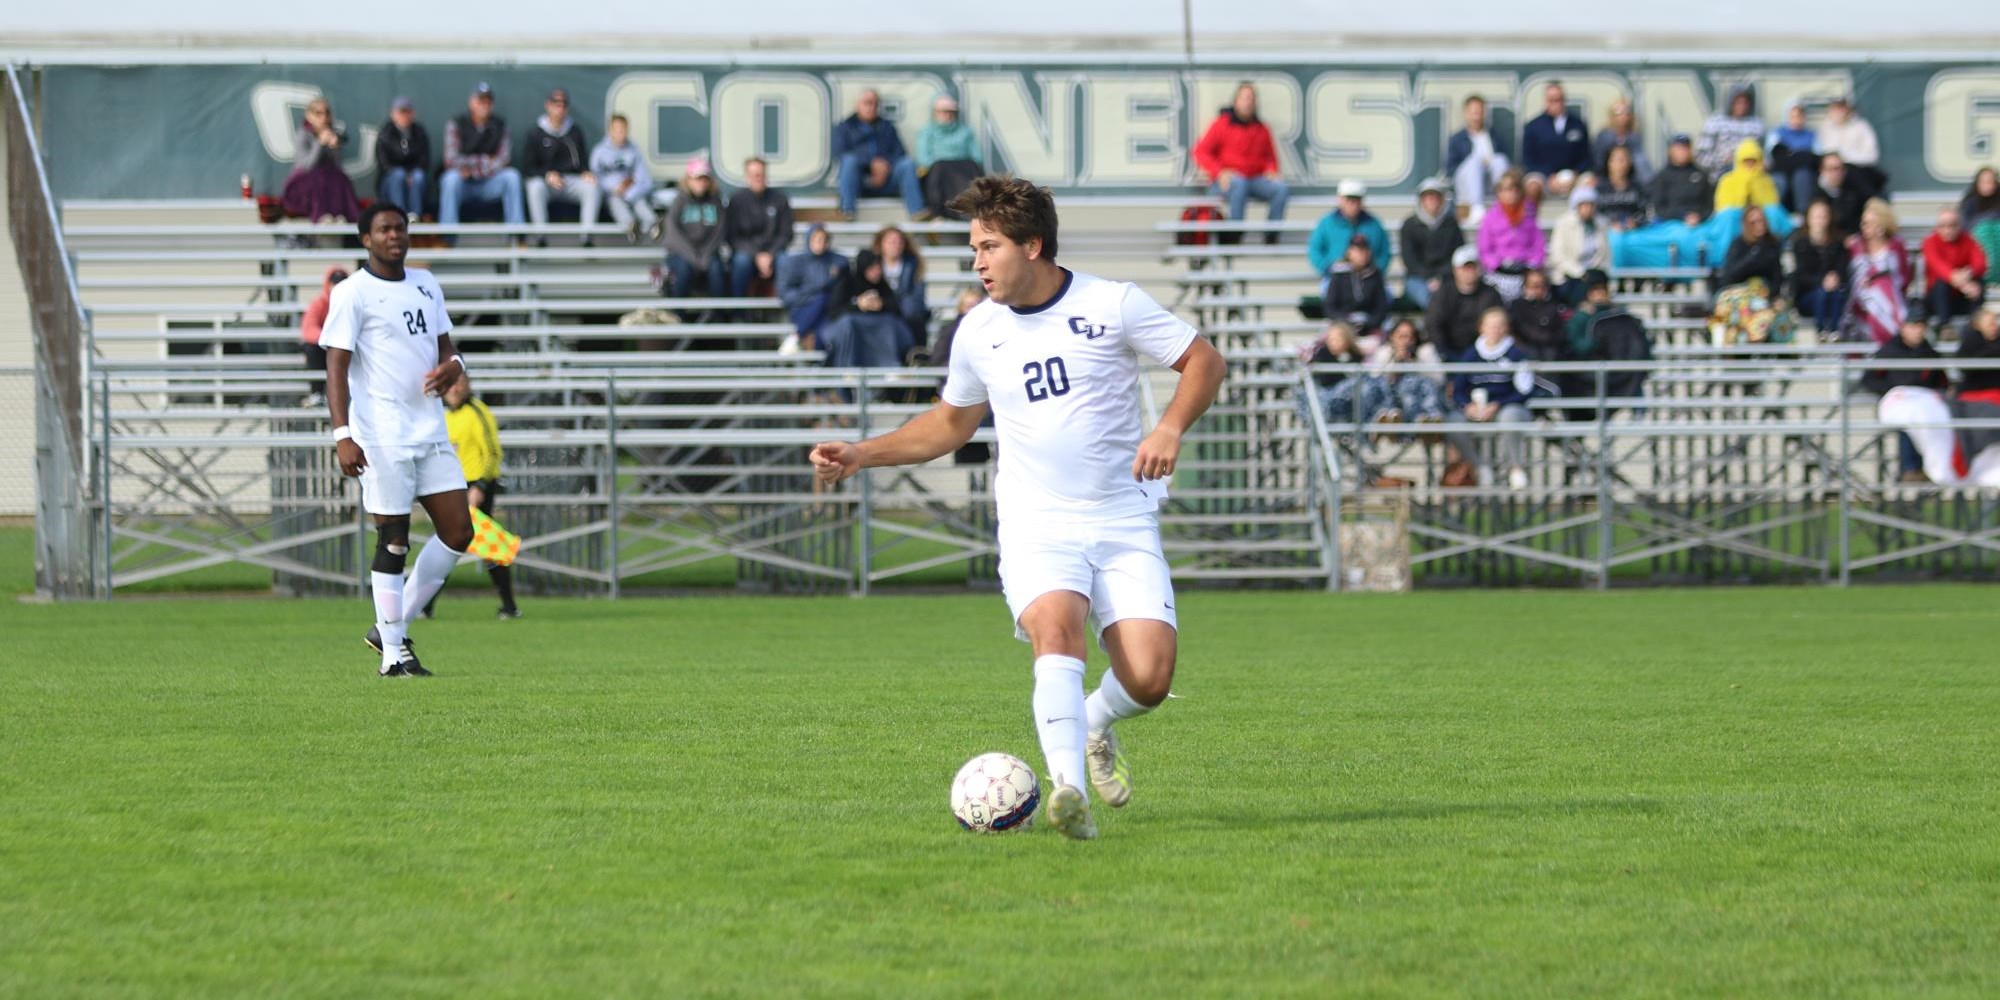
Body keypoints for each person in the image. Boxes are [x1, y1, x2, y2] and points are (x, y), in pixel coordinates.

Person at [809, 176, 1227, 841]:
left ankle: (1093, 721)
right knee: (1056, 630)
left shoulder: (1112, 304)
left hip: (1121, 516)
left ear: (1033, 245)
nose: (977, 261)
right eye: (974, 247)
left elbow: (1203, 360)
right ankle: (1069, 794)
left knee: (1148, 679)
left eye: (989, 246)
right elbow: (949, 425)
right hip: (1037, 523)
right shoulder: (978, 331)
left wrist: (1170, 427)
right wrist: (862, 454)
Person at [320, 203, 475, 678]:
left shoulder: (427, 283)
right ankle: (393, 654)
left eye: (400, 228)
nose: (395, 236)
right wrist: (343, 435)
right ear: (365, 238)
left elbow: (444, 347)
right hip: (382, 436)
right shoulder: (352, 293)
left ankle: (390, 625)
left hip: (428, 429)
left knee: (459, 532)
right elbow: (336, 367)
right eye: (384, 229)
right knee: (393, 539)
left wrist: (457, 367)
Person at [435, 374, 522, 618]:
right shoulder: (445, 416)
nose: (453, 390)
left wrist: (480, 486)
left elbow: (493, 454)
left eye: (457, 383)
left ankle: (509, 605)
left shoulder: (478, 412)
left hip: (475, 487)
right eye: (449, 385)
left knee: (469, 544)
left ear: (467, 385)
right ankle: (509, 606)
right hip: (454, 486)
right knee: (454, 543)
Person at [1447, 307, 1541, 491]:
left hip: (1506, 407)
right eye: (1491, 326)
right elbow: (1458, 389)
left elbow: (1524, 390)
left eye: (1500, 326)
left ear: (1506, 328)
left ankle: (1515, 468)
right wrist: (1467, 406)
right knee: (1452, 422)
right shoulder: (1470, 355)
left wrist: (1498, 404)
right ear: (1481, 328)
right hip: (1477, 408)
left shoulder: (1516, 354)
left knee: (1510, 417)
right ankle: (1479, 466)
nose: (1495, 330)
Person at [1861, 318, 1950, 482]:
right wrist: (1891, 391)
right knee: (1909, 420)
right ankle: (1910, 469)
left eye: (1920, 326)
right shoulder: (1889, 351)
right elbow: (1869, 379)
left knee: (1930, 421)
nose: (1917, 331)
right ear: (1903, 329)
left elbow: (1942, 382)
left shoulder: (1930, 353)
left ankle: (1932, 470)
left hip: (1924, 406)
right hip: (1897, 404)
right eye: (1913, 327)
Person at [1193, 82, 1290, 228]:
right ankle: (1235, 233)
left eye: (1251, 99)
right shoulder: (1221, 125)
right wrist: (1219, 172)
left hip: (1254, 180)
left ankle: (1272, 234)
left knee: (1281, 188)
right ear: (1236, 101)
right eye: (1244, 98)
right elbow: (1200, 152)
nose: (1248, 102)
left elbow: (1270, 157)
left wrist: (1271, 171)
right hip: (1225, 182)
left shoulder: (1262, 129)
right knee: (1239, 183)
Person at [440, 82, 525, 231]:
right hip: (464, 184)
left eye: (488, 101)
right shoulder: (456, 123)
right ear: (471, 102)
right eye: (480, 101)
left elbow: (503, 160)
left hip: (489, 183)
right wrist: (486, 160)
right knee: (450, 179)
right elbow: (451, 159)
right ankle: (448, 238)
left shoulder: (500, 125)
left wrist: (472, 168)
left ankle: (516, 236)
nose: (485, 105)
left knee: (512, 176)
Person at [522, 88, 601, 247]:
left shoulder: (574, 131)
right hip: (547, 183)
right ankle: (540, 237)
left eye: (563, 105)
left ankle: (587, 238)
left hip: (569, 182)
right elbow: (528, 167)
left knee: (592, 187)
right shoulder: (535, 133)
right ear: (547, 105)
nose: (559, 108)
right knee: (534, 186)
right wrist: (547, 175)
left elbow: (582, 162)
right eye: (556, 104)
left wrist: (585, 172)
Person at [832, 89, 923, 219]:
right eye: (867, 103)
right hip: (860, 181)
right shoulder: (845, 127)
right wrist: (870, 163)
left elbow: (899, 153)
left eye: (875, 104)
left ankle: (917, 211)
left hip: (886, 179)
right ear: (858, 105)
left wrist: (884, 167)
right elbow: (839, 152)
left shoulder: (887, 127)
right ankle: (847, 211)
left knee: (907, 164)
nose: (871, 107)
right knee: (849, 160)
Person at [723, 157, 795, 297]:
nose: (758, 178)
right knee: (741, 262)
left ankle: (784, 309)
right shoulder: (737, 200)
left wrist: (769, 254)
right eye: (754, 174)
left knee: (785, 261)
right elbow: (732, 236)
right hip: (746, 252)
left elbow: (786, 234)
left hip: (774, 251)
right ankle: (739, 312)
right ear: (747, 177)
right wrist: (756, 255)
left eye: (761, 174)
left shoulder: (780, 199)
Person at [281, 97, 361, 223]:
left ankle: (343, 216)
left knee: (340, 178)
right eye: (318, 113)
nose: (323, 117)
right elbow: (307, 166)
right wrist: (320, 144)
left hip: (326, 181)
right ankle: (321, 216)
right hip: (301, 184)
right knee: (319, 176)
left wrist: (335, 148)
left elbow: (337, 166)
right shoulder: (302, 135)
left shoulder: (333, 133)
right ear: (309, 115)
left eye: (327, 112)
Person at [1844, 198, 1911, 345]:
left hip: (1890, 299)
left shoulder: (1896, 245)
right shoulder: (1855, 245)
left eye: (1868, 223)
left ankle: (1891, 336)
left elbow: (1903, 277)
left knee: (1884, 286)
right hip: (1859, 301)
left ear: (1880, 224)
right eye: (1863, 222)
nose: (1863, 227)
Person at [660, 158, 729, 300]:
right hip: (681, 253)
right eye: (697, 179)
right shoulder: (679, 201)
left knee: (716, 270)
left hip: (708, 253)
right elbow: (673, 234)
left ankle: (718, 314)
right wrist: (693, 257)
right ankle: (678, 314)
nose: (701, 183)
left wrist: (704, 256)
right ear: (688, 180)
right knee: (683, 269)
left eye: (704, 179)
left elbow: (719, 232)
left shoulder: (716, 201)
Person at [1298, 321, 1391, 425]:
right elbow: (1326, 380)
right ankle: (1375, 420)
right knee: (1361, 381)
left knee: (1376, 383)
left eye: (1338, 339)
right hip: (1330, 398)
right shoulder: (1322, 355)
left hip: (1350, 400)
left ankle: (1385, 414)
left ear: (1347, 340)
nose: (1334, 342)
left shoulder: (1355, 356)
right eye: (1331, 339)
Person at [776, 223, 850, 355]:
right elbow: (786, 294)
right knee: (822, 297)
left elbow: (844, 264)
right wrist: (811, 294)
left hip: (824, 312)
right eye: (816, 239)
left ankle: (797, 337)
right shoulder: (795, 263)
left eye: (823, 240)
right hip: (802, 308)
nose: (820, 243)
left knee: (825, 332)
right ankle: (798, 336)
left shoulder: (835, 261)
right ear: (808, 240)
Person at [1426, 244, 1505, 357]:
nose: (1469, 271)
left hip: (1483, 351)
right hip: (1448, 347)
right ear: (1455, 270)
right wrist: (1444, 350)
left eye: (1473, 267)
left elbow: (1497, 323)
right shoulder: (1443, 294)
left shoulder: (1490, 294)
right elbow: (1433, 324)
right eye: (1465, 267)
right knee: (1428, 352)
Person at [590, 114, 659, 243]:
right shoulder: (599, 152)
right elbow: (595, 178)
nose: (622, 134)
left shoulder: (634, 151)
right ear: (610, 131)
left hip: (632, 192)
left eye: (624, 130)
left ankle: (654, 224)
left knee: (640, 203)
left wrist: (630, 192)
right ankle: (631, 227)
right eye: (618, 130)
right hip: (610, 195)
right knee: (616, 203)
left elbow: (644, 179)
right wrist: (613, 189)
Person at [1475, 170, 1545, 296]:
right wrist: (1496, 264)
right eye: (1506, 189)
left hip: (1524, 272)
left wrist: (1532, 264)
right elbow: (1484, 249)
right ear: (1499, 192)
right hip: (1498, 273)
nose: (1511, 193)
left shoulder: (1529, 215)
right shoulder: (1490, 218)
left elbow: (1538, 245)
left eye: (1515, 189)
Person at [1788, 198, 1851, 336]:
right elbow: (1801, 276)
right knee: (1821, 294)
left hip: (1833, 292)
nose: (1820, 220)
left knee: (1836, 295)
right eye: (1816, 216)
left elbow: (1842, 271)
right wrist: (1822, 281)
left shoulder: (1838, 244)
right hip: (1808, 297)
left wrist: (1834, 280)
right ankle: (1821, 331)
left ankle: (1835, 332)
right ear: (1808, 219)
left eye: (1823, 216)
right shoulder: (1800, 244)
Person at [1366, 317, 1448, 423]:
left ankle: (1430, 422)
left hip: (1419, 398)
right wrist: (1395, 361)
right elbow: (1375, 378)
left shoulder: (1425, 352)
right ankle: (1386, 421)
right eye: (1402, 337)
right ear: (1392, 337)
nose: (1406, 341)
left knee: (1415, 387)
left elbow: (1438, 379)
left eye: (1410, 337)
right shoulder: (1383, 353)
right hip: (1391, 399)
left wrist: (1414, 362)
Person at [1398, 177, 1464, 309]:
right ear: (1421, 200)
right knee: (1429, 299)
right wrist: (1428, 277)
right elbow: (1409, 260)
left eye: (1435, 197)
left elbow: (1457, 255)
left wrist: (1440, 277)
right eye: (1428, 197)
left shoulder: (1452, 225)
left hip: (1446, 277)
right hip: (1417, 278)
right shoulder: (1409, 225)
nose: (1432, 201)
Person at [1445, 95, 1513, 219]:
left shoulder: (1495, 136)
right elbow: (1451, 169)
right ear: (1466, 113)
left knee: (1499, 160)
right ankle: (1477, 207)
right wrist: (1479, 164)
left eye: (1480, 112)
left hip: (1491, 182)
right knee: (1474, 161)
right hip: (1466, 184)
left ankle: (1505, 204)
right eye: (1473, 112)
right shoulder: (1457, 139)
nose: (1477, 116)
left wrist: (1488, 163)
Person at [916, 95, 983, 219]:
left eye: (950, 112)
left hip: (962, 169)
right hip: (938, 172)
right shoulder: (926, 132)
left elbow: (977, 157)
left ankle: (970, 209)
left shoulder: (965, 131)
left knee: (971, 167)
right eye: (944, 111)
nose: (947, 115)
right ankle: (939, 212)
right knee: (940, 167)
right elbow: (924, 159)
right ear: (935, 113)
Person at [1519, 81, 1592, 196]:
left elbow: (1586, 156)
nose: (1556, 103)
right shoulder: (1533, 126)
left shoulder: (1578, 124)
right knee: (1532, 187)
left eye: (1559, 99)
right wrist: (1548, 175)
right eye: (1552, 100)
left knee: (1590, 182)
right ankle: (1531, 214)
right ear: (1546, 101)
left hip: (1573, 175)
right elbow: (1528, 160)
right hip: (1543, 175)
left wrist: (1575, 173)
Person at [1921, 208, 1989, 330]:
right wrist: (1962, 283)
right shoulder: (1930, 242)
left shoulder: (1968, 240)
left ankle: (1976, 325)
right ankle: (1945, 327)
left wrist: (1968, 274)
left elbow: (1980, 263)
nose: (1947, 230)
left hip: (1963, 296)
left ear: (1959, 226)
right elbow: (1938, 267)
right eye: (1943, 226)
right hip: (1938, 299)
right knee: (1942, 283)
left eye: (1952, 226)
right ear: (1937, 227)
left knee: (1978, 283)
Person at [1307, 179, 1390, 275]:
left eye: (1357, 200)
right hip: (1335, 276)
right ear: (1340, 200)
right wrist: (1327, 268)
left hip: (1367, 277)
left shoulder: (1373, 225)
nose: (1353, 204)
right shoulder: (1326, 224)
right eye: (1349, 199)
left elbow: (1384, 251)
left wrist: (1375, 271)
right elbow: (1315, 250)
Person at [1319, 235, 1391, 337]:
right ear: (1349, 252)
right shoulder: (1339, 274)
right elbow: (1330, 307)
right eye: (1357, 251)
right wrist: (1347, 320)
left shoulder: (1375, 275)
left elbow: (1381, 307)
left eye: (1364, 250)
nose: (1361, 254)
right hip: (1342, 327)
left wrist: (1369, 322)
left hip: (1369, 327)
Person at [869, 225, 930, 346]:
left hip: (907, 310)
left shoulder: (913, 265)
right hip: (882, 306)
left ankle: (917, 351)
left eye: (899, 242)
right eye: (891, 242)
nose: (895, 245)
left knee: (912, 311)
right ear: (881, 244)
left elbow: (917, 295)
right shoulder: (872, 264)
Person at [1548, 185, 1607, 302]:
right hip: (1569, 277)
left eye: (1591, 205)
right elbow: (1558, 257)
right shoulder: (1563, 223)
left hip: (1593, 275)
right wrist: (1580, 273)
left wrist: (1592, 273)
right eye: (1584, 205)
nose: (1588, 208)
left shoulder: (1601, 224)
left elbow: (1604, 254)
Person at [374, 97, 431, 219]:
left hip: (413, 177)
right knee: (397, 175)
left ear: (413, 113)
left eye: (407, 112)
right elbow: (384, 164)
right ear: (393, 114)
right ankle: (399, 215)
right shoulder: (385, 134)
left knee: (419, 176)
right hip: (390, 182)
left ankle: (415, 216)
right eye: (401, 112)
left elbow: (424, 161)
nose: (404, 116)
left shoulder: (420, 132)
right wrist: (404, 176)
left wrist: (410, 175)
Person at [1815, 95, 1882, 197]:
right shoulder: (1825, 128)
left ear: (1848, 109)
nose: (1839, 112)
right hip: (1830, 171)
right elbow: (1820, 152)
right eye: (1835, 108)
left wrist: (1845, 158)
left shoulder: (1862, 126)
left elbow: (1872, 156)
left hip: (1857, 171)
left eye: (1841, 107)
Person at [299, 266, 347, 400]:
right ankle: (317, 393)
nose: (337, 287)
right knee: (312, 348)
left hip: (343, 347)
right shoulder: (319, 303)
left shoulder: (351, 304)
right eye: (335, 283)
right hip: (325, 348)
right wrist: (331, 340)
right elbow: (308, 329)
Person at [1697, 85, 1762, 181]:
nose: (1742, 106)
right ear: (1730, 102)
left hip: (1751, 173)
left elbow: (1764, 154)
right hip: (1721, 172)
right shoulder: (1715, 122)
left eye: (1745, 102)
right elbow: (1701, 155)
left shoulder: (1757, 124)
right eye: (1738, 102)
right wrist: (1721, 161)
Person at [1766, 101, 1819, 214]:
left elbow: (1815, 158)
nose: (1796, 119)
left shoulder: (1811, 135)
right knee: (1779, 180)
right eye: (1792, 116)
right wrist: (1801, 156)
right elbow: (1773, 157)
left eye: (1799, 116)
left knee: (1802, 176)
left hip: (1803, 172)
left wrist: (1791, 155)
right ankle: (1776, 214)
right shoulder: (1777, 133)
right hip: (1781, 172)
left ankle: (1802, 214)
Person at [1650, 134, 1714, 227]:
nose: (1683, 152)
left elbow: (1709, 205)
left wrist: (1699, 217)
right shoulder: (1663, 176)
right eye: (1679, 148)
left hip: (1699, 222)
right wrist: (1681, 216)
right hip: (1671, 223)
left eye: (1685, 148)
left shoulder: (1701, 174)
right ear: (1671, 151)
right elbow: (1659, 209)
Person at [1507, 269, 1567, 361]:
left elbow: (1561, 333)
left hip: (1551, 351)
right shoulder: (1517, 306)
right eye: (1534, 285)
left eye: (1542, 285)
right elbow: (1517, 330)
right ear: (1525, 286)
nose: (1538, 289)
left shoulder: (1555, 305)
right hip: (1525, 350)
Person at [1592, 98, 1652, 183]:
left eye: (1626, 113)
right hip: (1605, 175)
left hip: (1630, 176)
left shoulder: (1634, 136)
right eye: (1619, 113)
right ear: (1612, 115)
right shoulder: (1604, 135)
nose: (1623, 116)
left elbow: (1640, 160)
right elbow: (1598, 159)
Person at [1712, 139, 1781, 213]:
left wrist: (1754, 186)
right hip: (1736, 217)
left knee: (1773, 212)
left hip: (1760, 217)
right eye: (1746, 161)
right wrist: (1745, 185)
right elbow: (1722, 207)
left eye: (1753, 161)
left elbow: (1772, 204)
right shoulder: (1727, 179)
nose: (1749, 164)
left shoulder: (1766, 180)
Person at [1959, 166, 2000, 284]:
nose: (1988, 185)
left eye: (1990, 181)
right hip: (1976, 245)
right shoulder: (1969, 202)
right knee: (1984, 229)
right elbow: (1964, 227)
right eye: (1984, 182)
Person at [1811, 153, 1868, 235]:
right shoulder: (1815, 194)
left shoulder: (1854, 188)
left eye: (1839, 168)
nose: (1836, 173)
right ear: (1821, 170)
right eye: (1831, 169)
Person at [1596, 145, 1649, 230]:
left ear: (1630, 163)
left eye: (1623, 160)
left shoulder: (1637, 188)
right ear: (1608, 163)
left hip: (1632, 233)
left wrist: (1635, 222)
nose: (1619, 165)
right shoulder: (1599, 189)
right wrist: (1610, 224)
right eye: (1616, 160)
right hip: (1606, 233)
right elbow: (1596, 213)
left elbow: (1644, 212)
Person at [1957, 308, 2000, 406]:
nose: (1994, 326)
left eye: (1995, 322)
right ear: (1978, 325)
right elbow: (1963, 368)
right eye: (1990, 324)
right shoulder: (1969, 343)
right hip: (1974, 391)